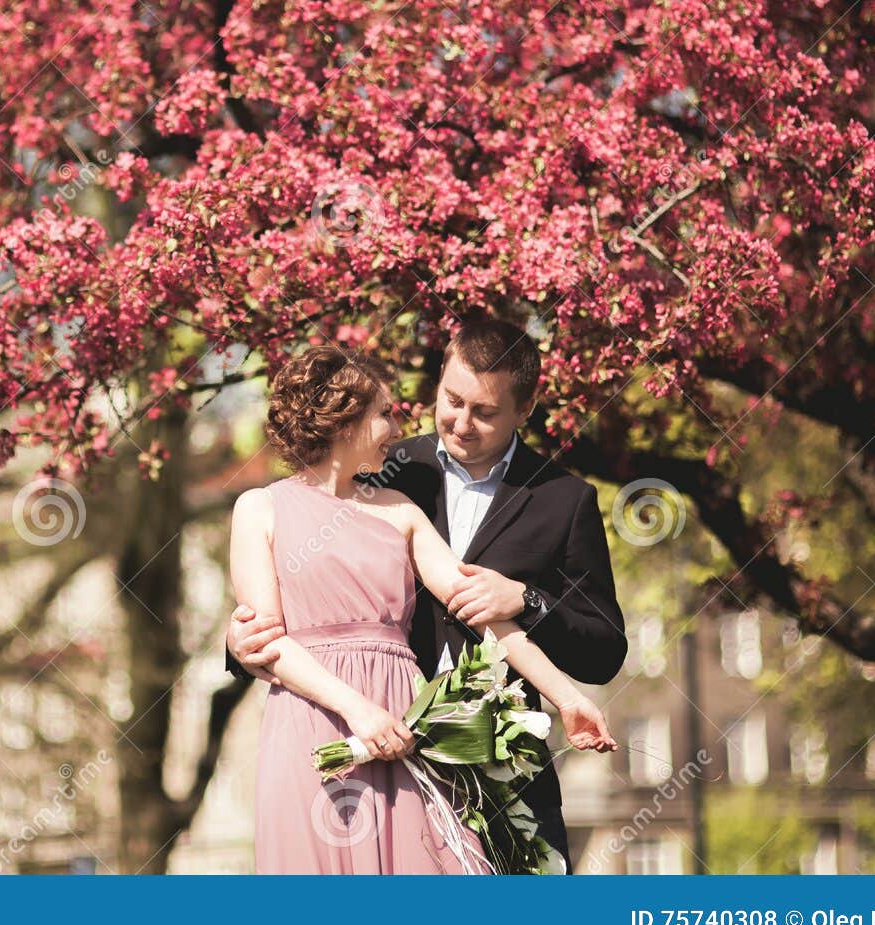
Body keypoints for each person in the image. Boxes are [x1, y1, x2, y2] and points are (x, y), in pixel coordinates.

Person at [229, 314, 629, 868]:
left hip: (455, 748)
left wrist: (568, 696)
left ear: (523, 410)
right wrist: (241, 639)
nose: (460, 422)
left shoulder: (554, 500)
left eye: (485, 412)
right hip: (322, 727)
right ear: (346, 424)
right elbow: (269, 628)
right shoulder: (382, 475)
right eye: (452, 400)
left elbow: (499, 622)